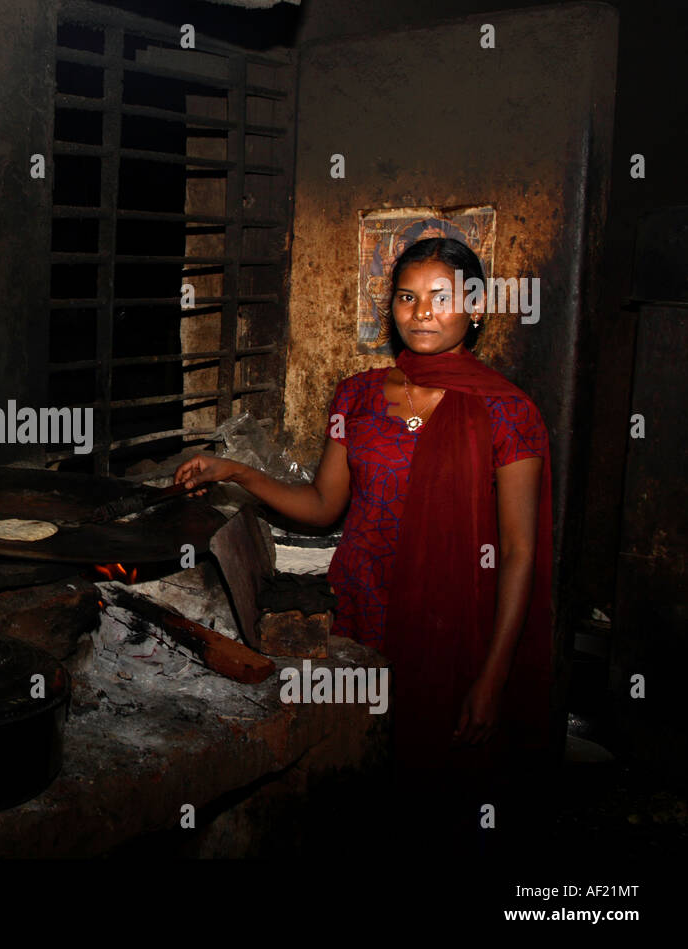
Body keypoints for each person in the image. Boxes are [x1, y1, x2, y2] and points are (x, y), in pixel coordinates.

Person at [174, 238, 553, 780]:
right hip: (364, 609)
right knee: (367, 772)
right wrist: (234, 471)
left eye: (440, 297)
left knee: (444, 779)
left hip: (455, 620)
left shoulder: (508, 412)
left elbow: (518, 552)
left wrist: (494, 675)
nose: (421, 312)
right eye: (406, 297)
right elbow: (325, 505)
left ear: (475, 308)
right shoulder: (357, 396)